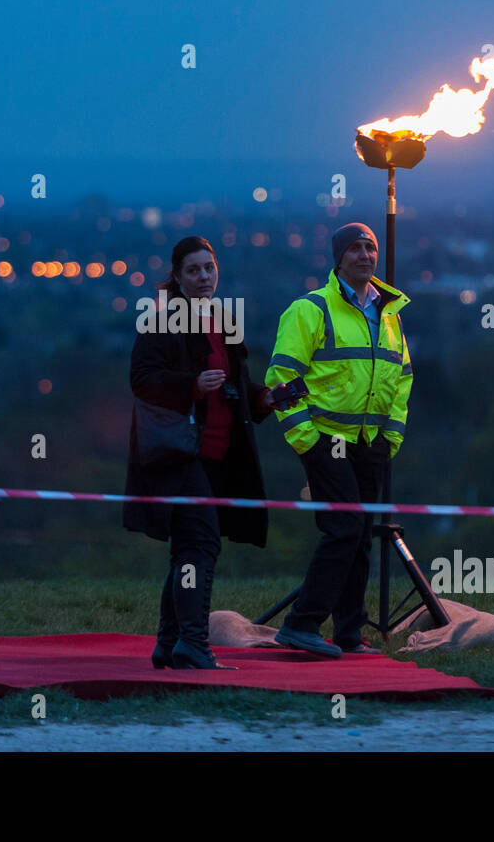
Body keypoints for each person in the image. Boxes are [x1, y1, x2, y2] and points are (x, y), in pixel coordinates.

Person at [123, 236, 275, 670]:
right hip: (177, 452)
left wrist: (264, 399)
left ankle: (169, 643)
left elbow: (229, 387)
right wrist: (191, 385)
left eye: (209, 267)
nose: (204, 276)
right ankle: (192, 643)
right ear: (176, 276)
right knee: (202, 544)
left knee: (189, 546)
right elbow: (141, 378)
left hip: (216, 453)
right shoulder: (162, 319)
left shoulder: (223, 320)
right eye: (193, 270)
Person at [264, 222, 414, 658]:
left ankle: (350, 633)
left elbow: (402, 377)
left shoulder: (389, 314)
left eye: (370, 247)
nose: (365, 255)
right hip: (326, 438)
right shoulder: (310, 309)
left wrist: (391, 437)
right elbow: (282, 379)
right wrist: (306, 439)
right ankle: (301, 623)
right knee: (344, 527)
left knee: (361, 535)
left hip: (371, 441)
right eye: (354, 248)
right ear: (338, 258)